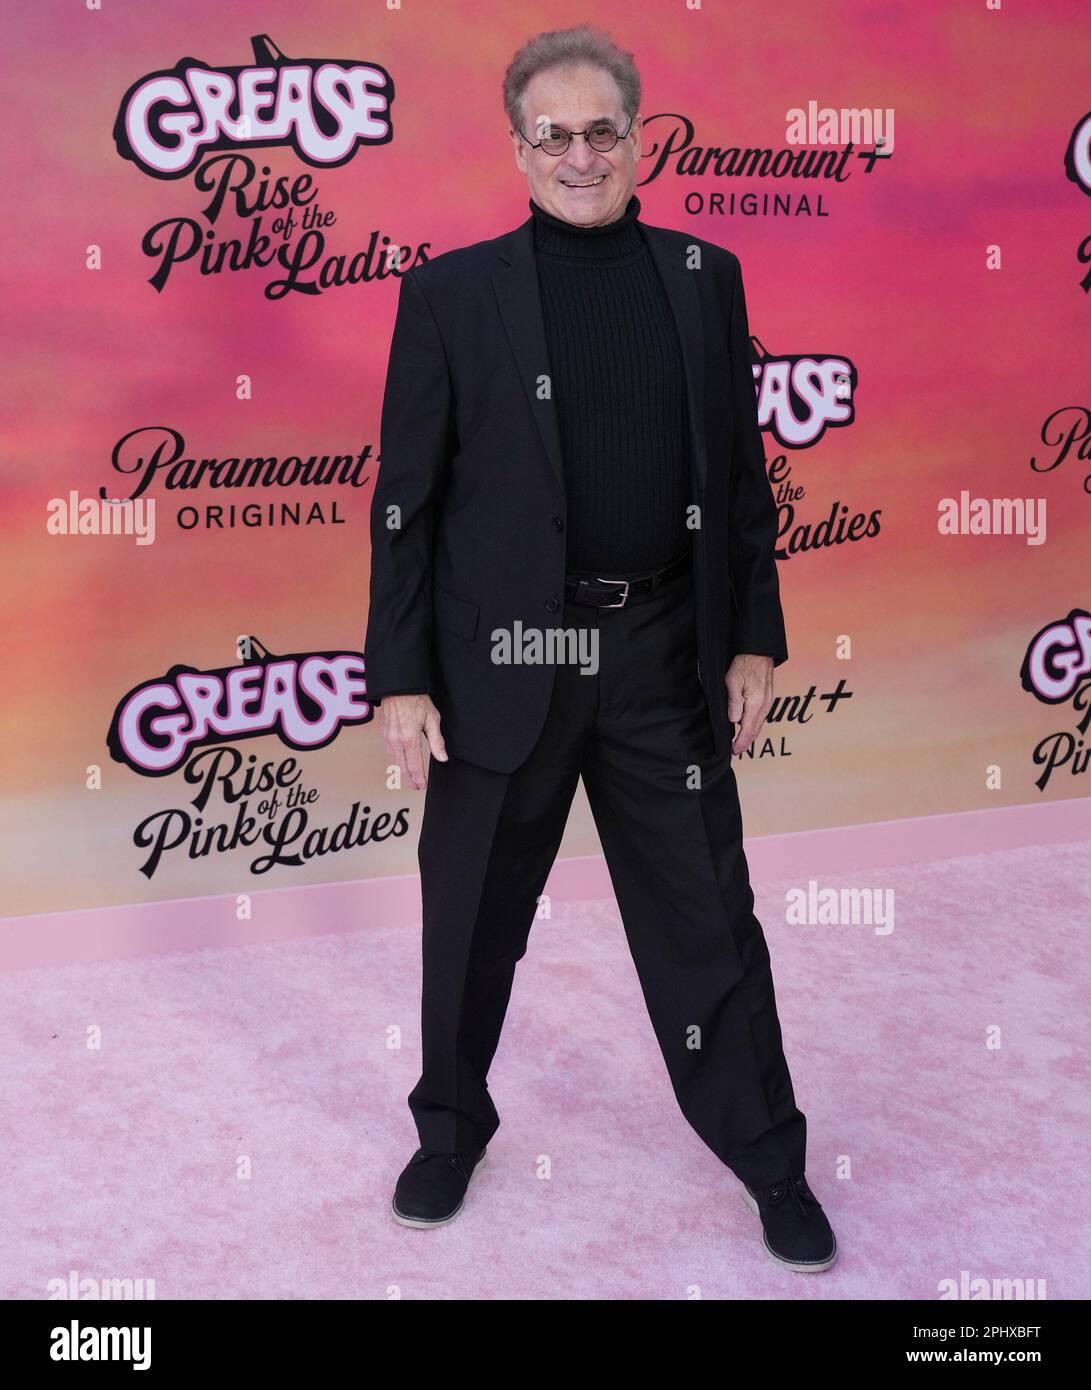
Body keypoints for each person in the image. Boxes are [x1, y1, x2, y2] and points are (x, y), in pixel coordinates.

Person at [363, 23, 837, 1273]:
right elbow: (404, 497)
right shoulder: (450, 294)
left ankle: (770, 1160)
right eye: (554, 135)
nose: (581, 155)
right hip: (496, 661)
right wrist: (401, 676)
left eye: (602, 130)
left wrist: (751, 639)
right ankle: (450, 1131)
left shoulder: (701, 273)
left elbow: (739, 478)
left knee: (706, 918)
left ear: (639, 137)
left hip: (662, 646)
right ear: (517, 150)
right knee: (468, 917)